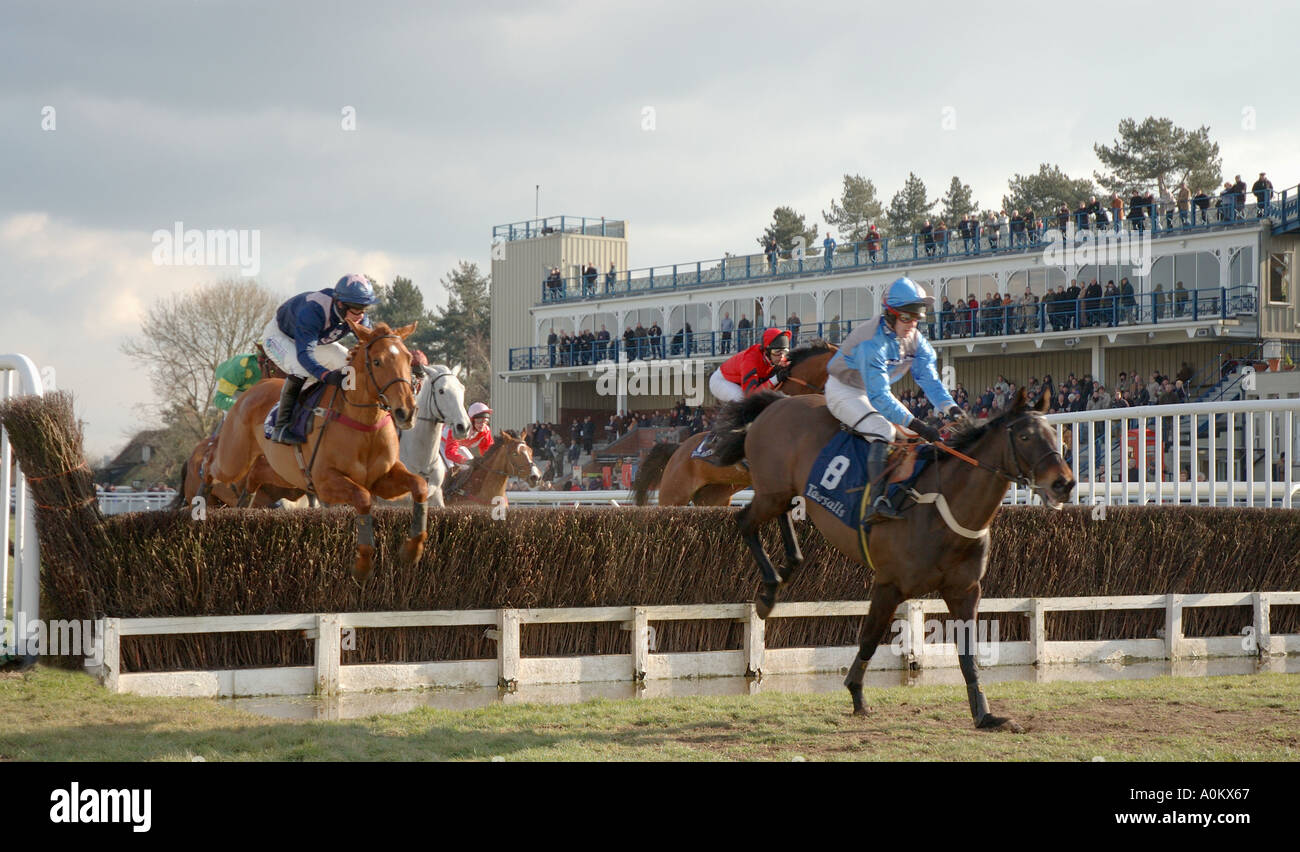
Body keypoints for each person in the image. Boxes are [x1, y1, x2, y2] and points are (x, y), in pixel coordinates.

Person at [824, 277, 962, 522]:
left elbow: (928, 379)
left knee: (913, 437)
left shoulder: (917, 340)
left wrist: (951, 408)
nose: (912, 325)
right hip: (844, 390)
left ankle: (904, 490)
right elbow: (879, 397)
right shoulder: (871, 342)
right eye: (906, 318)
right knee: (883, 430)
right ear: (890, 314)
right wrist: (917, 424)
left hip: (872, 391)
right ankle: (875, 502)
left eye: (917, 318)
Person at [261, 274, 376, 444]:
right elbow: (304, 355)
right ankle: (280, 426)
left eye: (364, 308)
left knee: (349, 365)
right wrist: (325, 376)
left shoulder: (358, 317)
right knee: (300, 368)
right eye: (356, 308)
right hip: (280, 337)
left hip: (314, 341)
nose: (360, 315)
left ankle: (351, 415)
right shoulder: (313, 310)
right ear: (340, 304)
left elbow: (371, 347)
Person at [709, 326, 791, 403]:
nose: (781, 357)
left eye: (784, 352)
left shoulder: (775, 357)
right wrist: (776, 378)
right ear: (767, 351)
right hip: (720, 381)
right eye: (777, 352)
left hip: (739, 381)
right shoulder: (750, 360)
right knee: (743, 400)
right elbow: (750, 395)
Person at [443, 402, 494, 473]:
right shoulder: (459, 428)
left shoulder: (485, 431)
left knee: (472, 468)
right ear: (471, 420)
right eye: (479, 421)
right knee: (448, 469)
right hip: (442, 443)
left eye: (485, 421)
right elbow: (449, 452)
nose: (482, 424)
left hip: (458, 446)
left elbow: (488, 451)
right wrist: (464, 460)